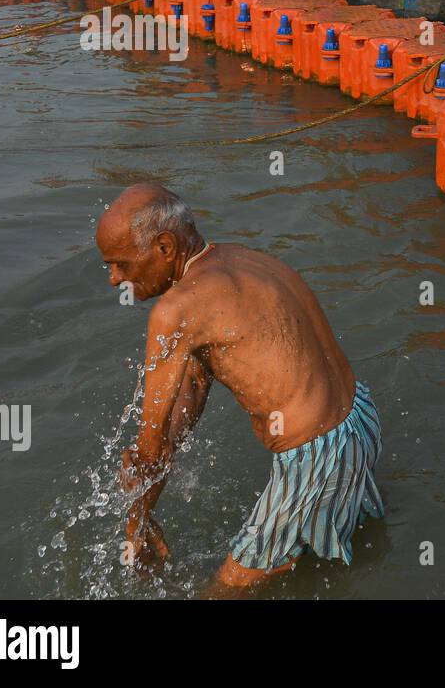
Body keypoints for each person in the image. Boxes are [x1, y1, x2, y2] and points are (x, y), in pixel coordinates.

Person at [96, 184, 383, 595]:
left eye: (121, 264)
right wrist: (165, 448)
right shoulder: (240, 261)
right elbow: (195, 384)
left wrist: (136, 522)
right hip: (359, 419)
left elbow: (151, 445)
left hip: (317, 458)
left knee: (224, 590)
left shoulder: (174, 310)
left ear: (163, 247)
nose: (114, 280)